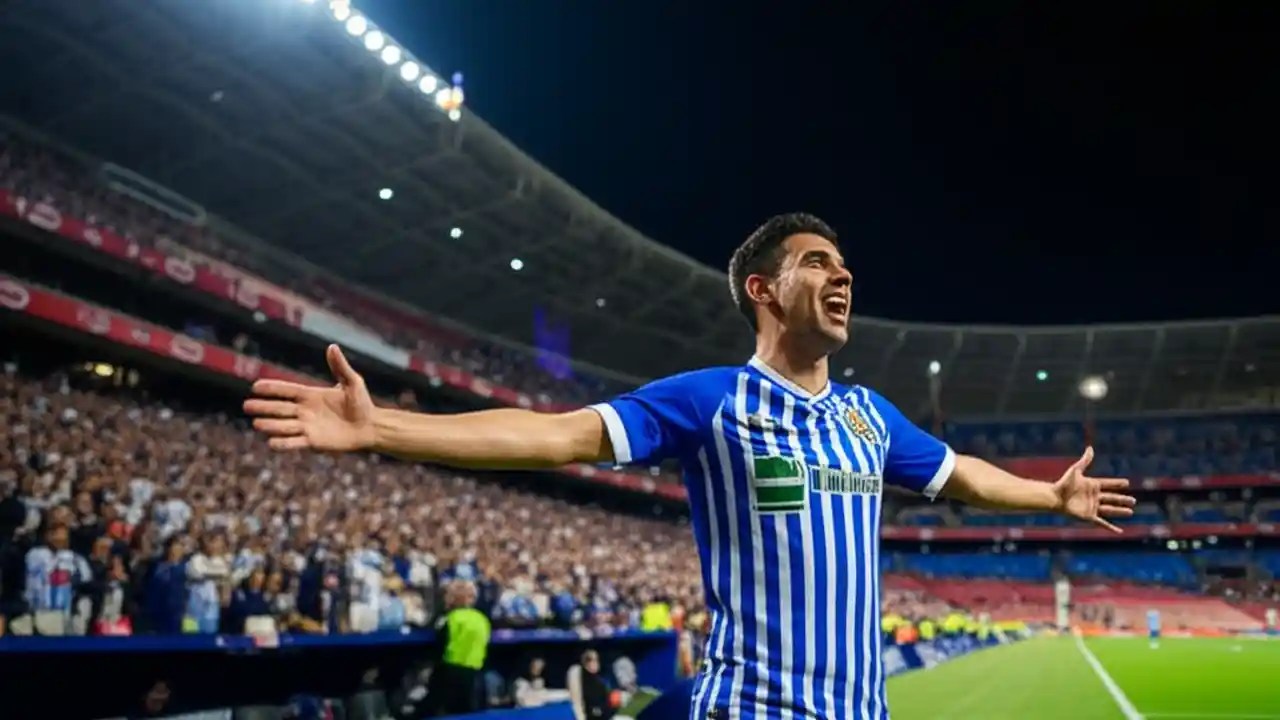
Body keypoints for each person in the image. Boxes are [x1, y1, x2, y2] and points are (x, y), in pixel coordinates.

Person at [244, 212, 1137, 719]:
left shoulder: (871, 418)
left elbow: (960, 475)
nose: (843, 276)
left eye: (846, 267)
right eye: (818, 263)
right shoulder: (710, 400)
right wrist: (387, 430)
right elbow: (554, 434)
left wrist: (1048, 495)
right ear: (763, 289)